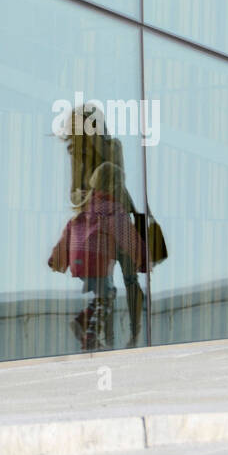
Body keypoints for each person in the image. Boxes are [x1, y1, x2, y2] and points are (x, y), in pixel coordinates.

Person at [57, 104, 149, 347]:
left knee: (130, 279)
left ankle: (136, 334)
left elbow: (120, 180)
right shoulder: (78, 153)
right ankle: (97, 335)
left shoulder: (113, 146)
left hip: (118, 219)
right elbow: (74, 194)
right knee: (106, 286)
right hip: (96, 225)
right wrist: (95, 195)